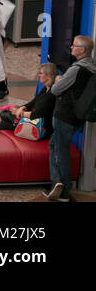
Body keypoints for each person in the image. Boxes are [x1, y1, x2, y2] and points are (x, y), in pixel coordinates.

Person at [45, 35, 95, 201]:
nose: (71, 48)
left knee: (61, 150)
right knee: (55, 145)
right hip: (79, 116)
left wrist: (59, 79)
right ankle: (58, 182)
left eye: (74, 46)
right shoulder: (92, 68)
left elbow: (56, 90)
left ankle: (61, 187)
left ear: (82, 50)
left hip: (64, 115)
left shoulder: (76, 69)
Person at [0, 62, 59, 137]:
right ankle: (16, 123)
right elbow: (33, 102)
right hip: (33, 118)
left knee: (4, 120)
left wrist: (20, 113)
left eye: (41, 73)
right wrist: (22, 108)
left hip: (40, 127)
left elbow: (37, 114)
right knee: (4, 113)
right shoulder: (46, 88)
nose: (39, 75)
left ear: (48, 76)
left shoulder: (51, 94)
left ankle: (16, 124)